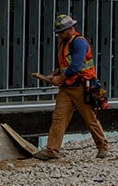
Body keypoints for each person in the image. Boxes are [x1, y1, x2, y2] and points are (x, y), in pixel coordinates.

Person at [31, 13, 108, 160]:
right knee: (58, 118)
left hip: (81, 87)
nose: (59, 35)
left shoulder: (79, 43)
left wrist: (59, 78)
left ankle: (102, 146)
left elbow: (75, 67)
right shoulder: (65, 43)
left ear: (69, 29)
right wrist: (54, 75)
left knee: (90, 119)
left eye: (61, 32)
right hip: (67, 88)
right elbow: (64, 66)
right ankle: (52, 150)